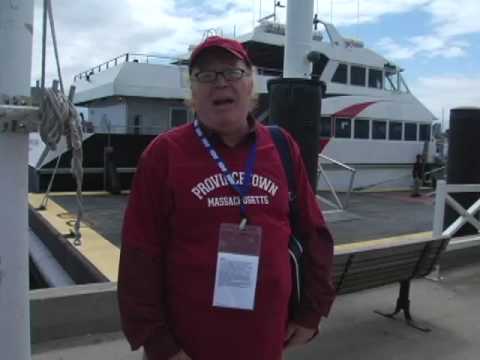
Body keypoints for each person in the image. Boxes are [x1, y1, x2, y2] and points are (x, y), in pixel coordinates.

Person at [117, 35, 335, 360]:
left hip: (267, 338)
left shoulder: (281, 146)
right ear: (193, 92)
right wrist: (159, 343)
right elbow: (139, 255)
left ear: (250, 83)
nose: (220, 83)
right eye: (206, 75)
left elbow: (313, 232)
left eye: (232, 72)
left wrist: (311, 313)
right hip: (188, 346)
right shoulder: (164, 154)